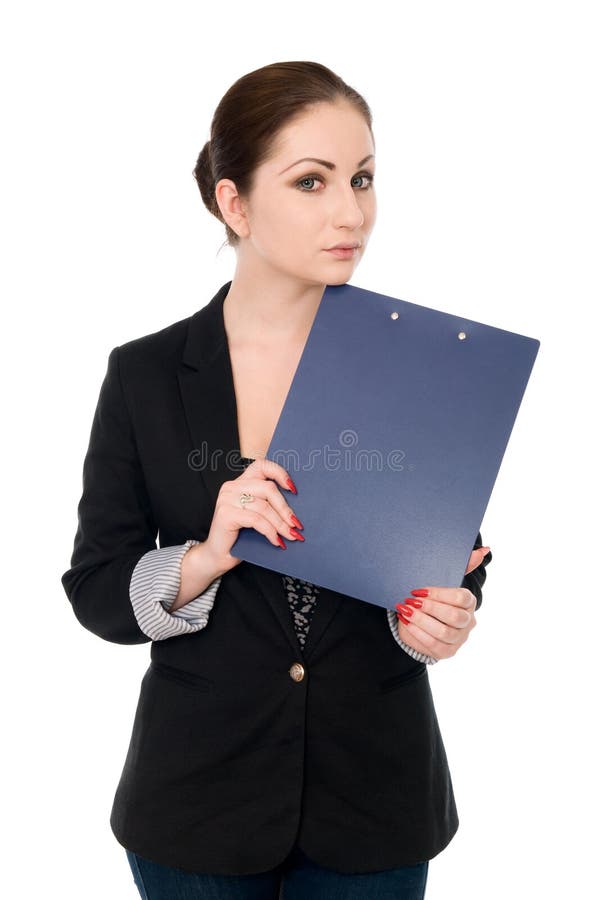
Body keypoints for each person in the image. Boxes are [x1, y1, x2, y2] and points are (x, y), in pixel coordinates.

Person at [61, 60, 493, 900]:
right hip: (196, 807)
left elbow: (456, 556)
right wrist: (203, 558)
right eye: (312, 181)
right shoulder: (147, 375)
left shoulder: (423, 366)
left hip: (376, 799)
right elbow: (96, 589)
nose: (351, 212)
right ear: (235, 203)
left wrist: (440, 617)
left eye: (363, 179)